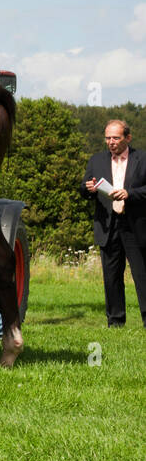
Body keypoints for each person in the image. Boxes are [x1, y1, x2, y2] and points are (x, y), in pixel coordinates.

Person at [81, 120, 146, 327]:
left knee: (142, 275)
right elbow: (83, 190)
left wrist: (130, 194)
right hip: (108, 226)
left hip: (135, 225)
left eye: (116, 138)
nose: (111, 142)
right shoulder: (96, 160)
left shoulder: (143, 159)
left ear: (128, 138)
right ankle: (115, 321)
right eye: (108, 138)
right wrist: (88, 188)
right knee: (111, 277)